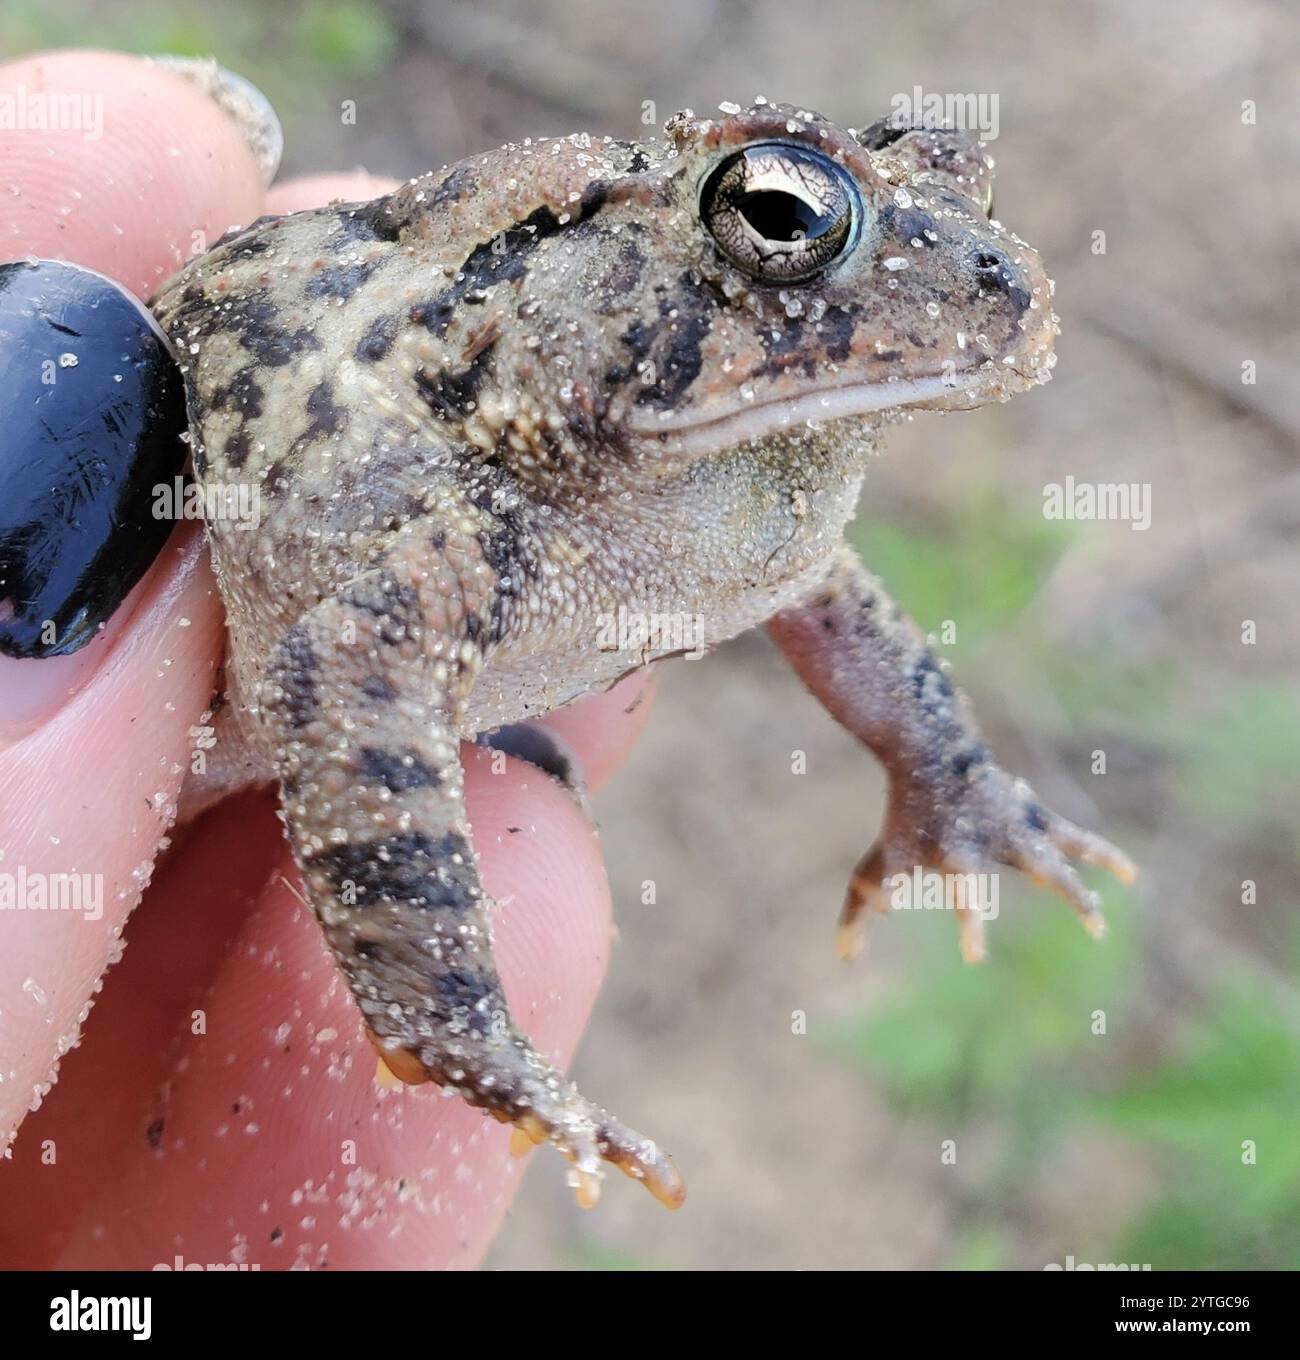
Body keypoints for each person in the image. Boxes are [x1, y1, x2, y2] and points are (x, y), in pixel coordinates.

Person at [0, 49, 652, 1270]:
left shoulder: (722, 467)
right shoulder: (493, 482)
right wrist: (452, 1014)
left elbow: (810, 578)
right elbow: (339, 678)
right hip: (191, 634)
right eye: (785, 223)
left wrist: (938, 773)